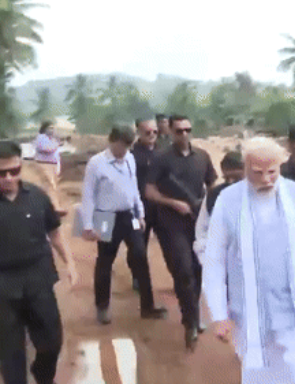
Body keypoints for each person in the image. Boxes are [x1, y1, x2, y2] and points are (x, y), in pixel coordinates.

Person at [202, 137, 295, 384]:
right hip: (251, 314)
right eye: (257, 172)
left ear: (281, 166)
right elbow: (214, 260)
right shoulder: (228, 201)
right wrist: (219, 314)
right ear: (245, 168)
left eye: (272, 172)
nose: (266, 179)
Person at [0, 140, 78, 384]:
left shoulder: (37, 196)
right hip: (3, 287)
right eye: (2, 173)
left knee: (52, 342)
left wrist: (71, 264)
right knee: (10, 352)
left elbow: (54, 232)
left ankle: (43, 376)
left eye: (14, 171)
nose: (9, 178)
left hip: (38, 280)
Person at [80, 126, 168, 325]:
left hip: (129, 216)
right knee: (105, 261)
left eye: (128, 146)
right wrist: (87, 224)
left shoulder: (129, 158)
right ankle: (102, 307)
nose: (124, 150)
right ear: (112, 141)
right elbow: (88, 195)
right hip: (105, 216)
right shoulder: (96, 163)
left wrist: (140, 214)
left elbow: (133, 186)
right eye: (121, 146)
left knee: (140, 256)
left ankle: (148, 306)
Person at [146, 115, 217, 350]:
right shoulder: (161, 159)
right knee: (183, 270)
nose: (184, 134)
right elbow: (149, 191)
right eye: (179, 131)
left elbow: (212, 185)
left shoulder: (202, 157)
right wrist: (173, 203)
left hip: (198, 222)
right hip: (171, 223)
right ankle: (190, 323)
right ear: (171, 132)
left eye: (188, 129)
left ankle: (193, 314)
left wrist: (206, 204)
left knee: (198, 272)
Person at [193, 151, 245, 264]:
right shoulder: (214, 195)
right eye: (228, 178)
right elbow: (202, 231)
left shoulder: (259, 195)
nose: (231, 183)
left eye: (236, 179)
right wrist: (207, 260)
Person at [129, 118, 160, 292]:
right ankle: (137, 276)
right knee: (139, 244)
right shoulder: (132, 155)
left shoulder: (163, 152)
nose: (152, 135)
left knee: (170, 244)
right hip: (139, 208)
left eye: (155, 132)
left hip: (161, 206)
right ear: (139, 133)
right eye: (147, 132)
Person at [33, 120, 65, 216]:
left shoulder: (51, 139)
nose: (52, 130)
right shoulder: (41, 138)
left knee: (52, 186)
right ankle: (55, 207)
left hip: (52, 165)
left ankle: (52, 207)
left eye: (52, 128)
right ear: (44, 128)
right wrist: (57, 144)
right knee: (50, 185)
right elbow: (47, 149)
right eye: (50, 128)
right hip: (44, 164)